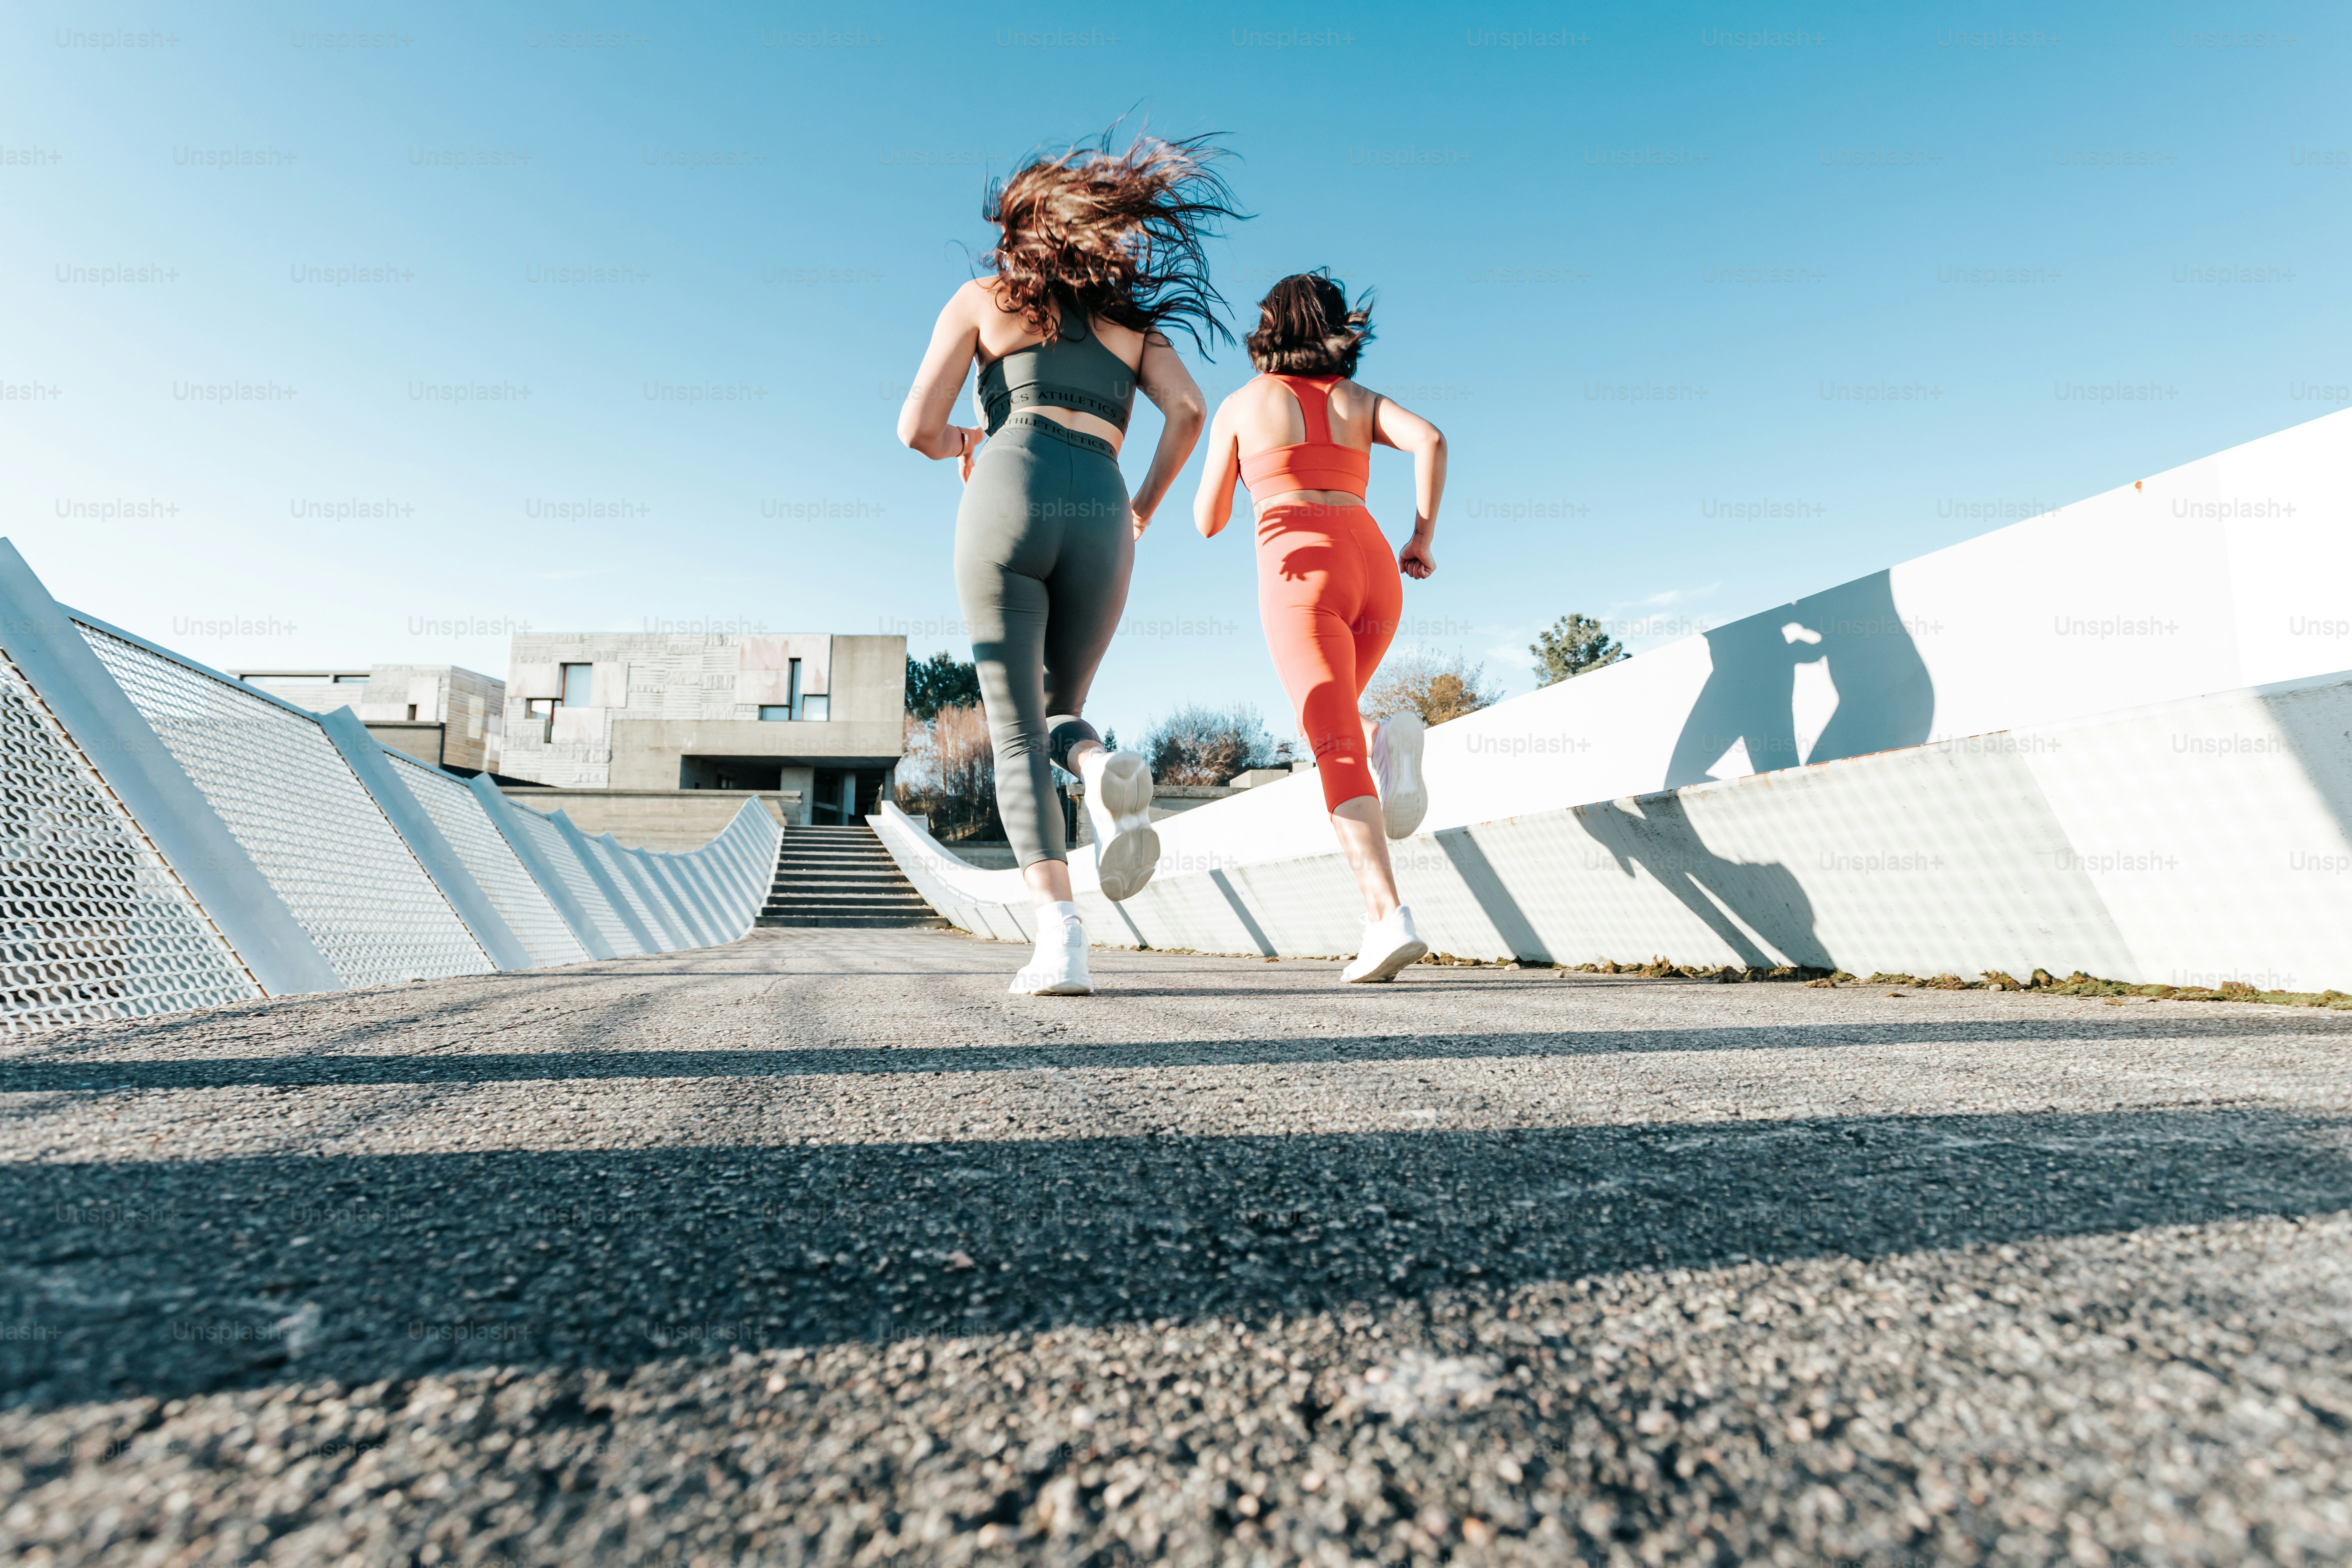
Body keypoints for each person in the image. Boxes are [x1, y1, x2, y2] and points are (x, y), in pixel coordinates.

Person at [896, 133, 1239, 996]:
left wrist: (966, 441)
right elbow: (1191, 409)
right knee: (1064, 710)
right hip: (1105, 510)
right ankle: (1094, 767)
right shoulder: (1134, 325)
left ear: (1021, 230)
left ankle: (1059, 939)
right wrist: (1145, 505)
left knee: (1014, 727)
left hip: (1010, 481)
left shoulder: (981, 299)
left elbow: (915, 430)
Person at [1192, 272, 1448, 983]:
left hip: (1301, 571)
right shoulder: (1358, 400)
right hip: (1375, 566)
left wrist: (1248, 467)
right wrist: (1421, 537)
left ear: (1269, 326)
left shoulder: (1243, 404)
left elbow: (1207, 521)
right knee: (1335, 725)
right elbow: (1430, 440)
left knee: (1328, 743)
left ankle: (1386, 917)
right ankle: (1383, 740)